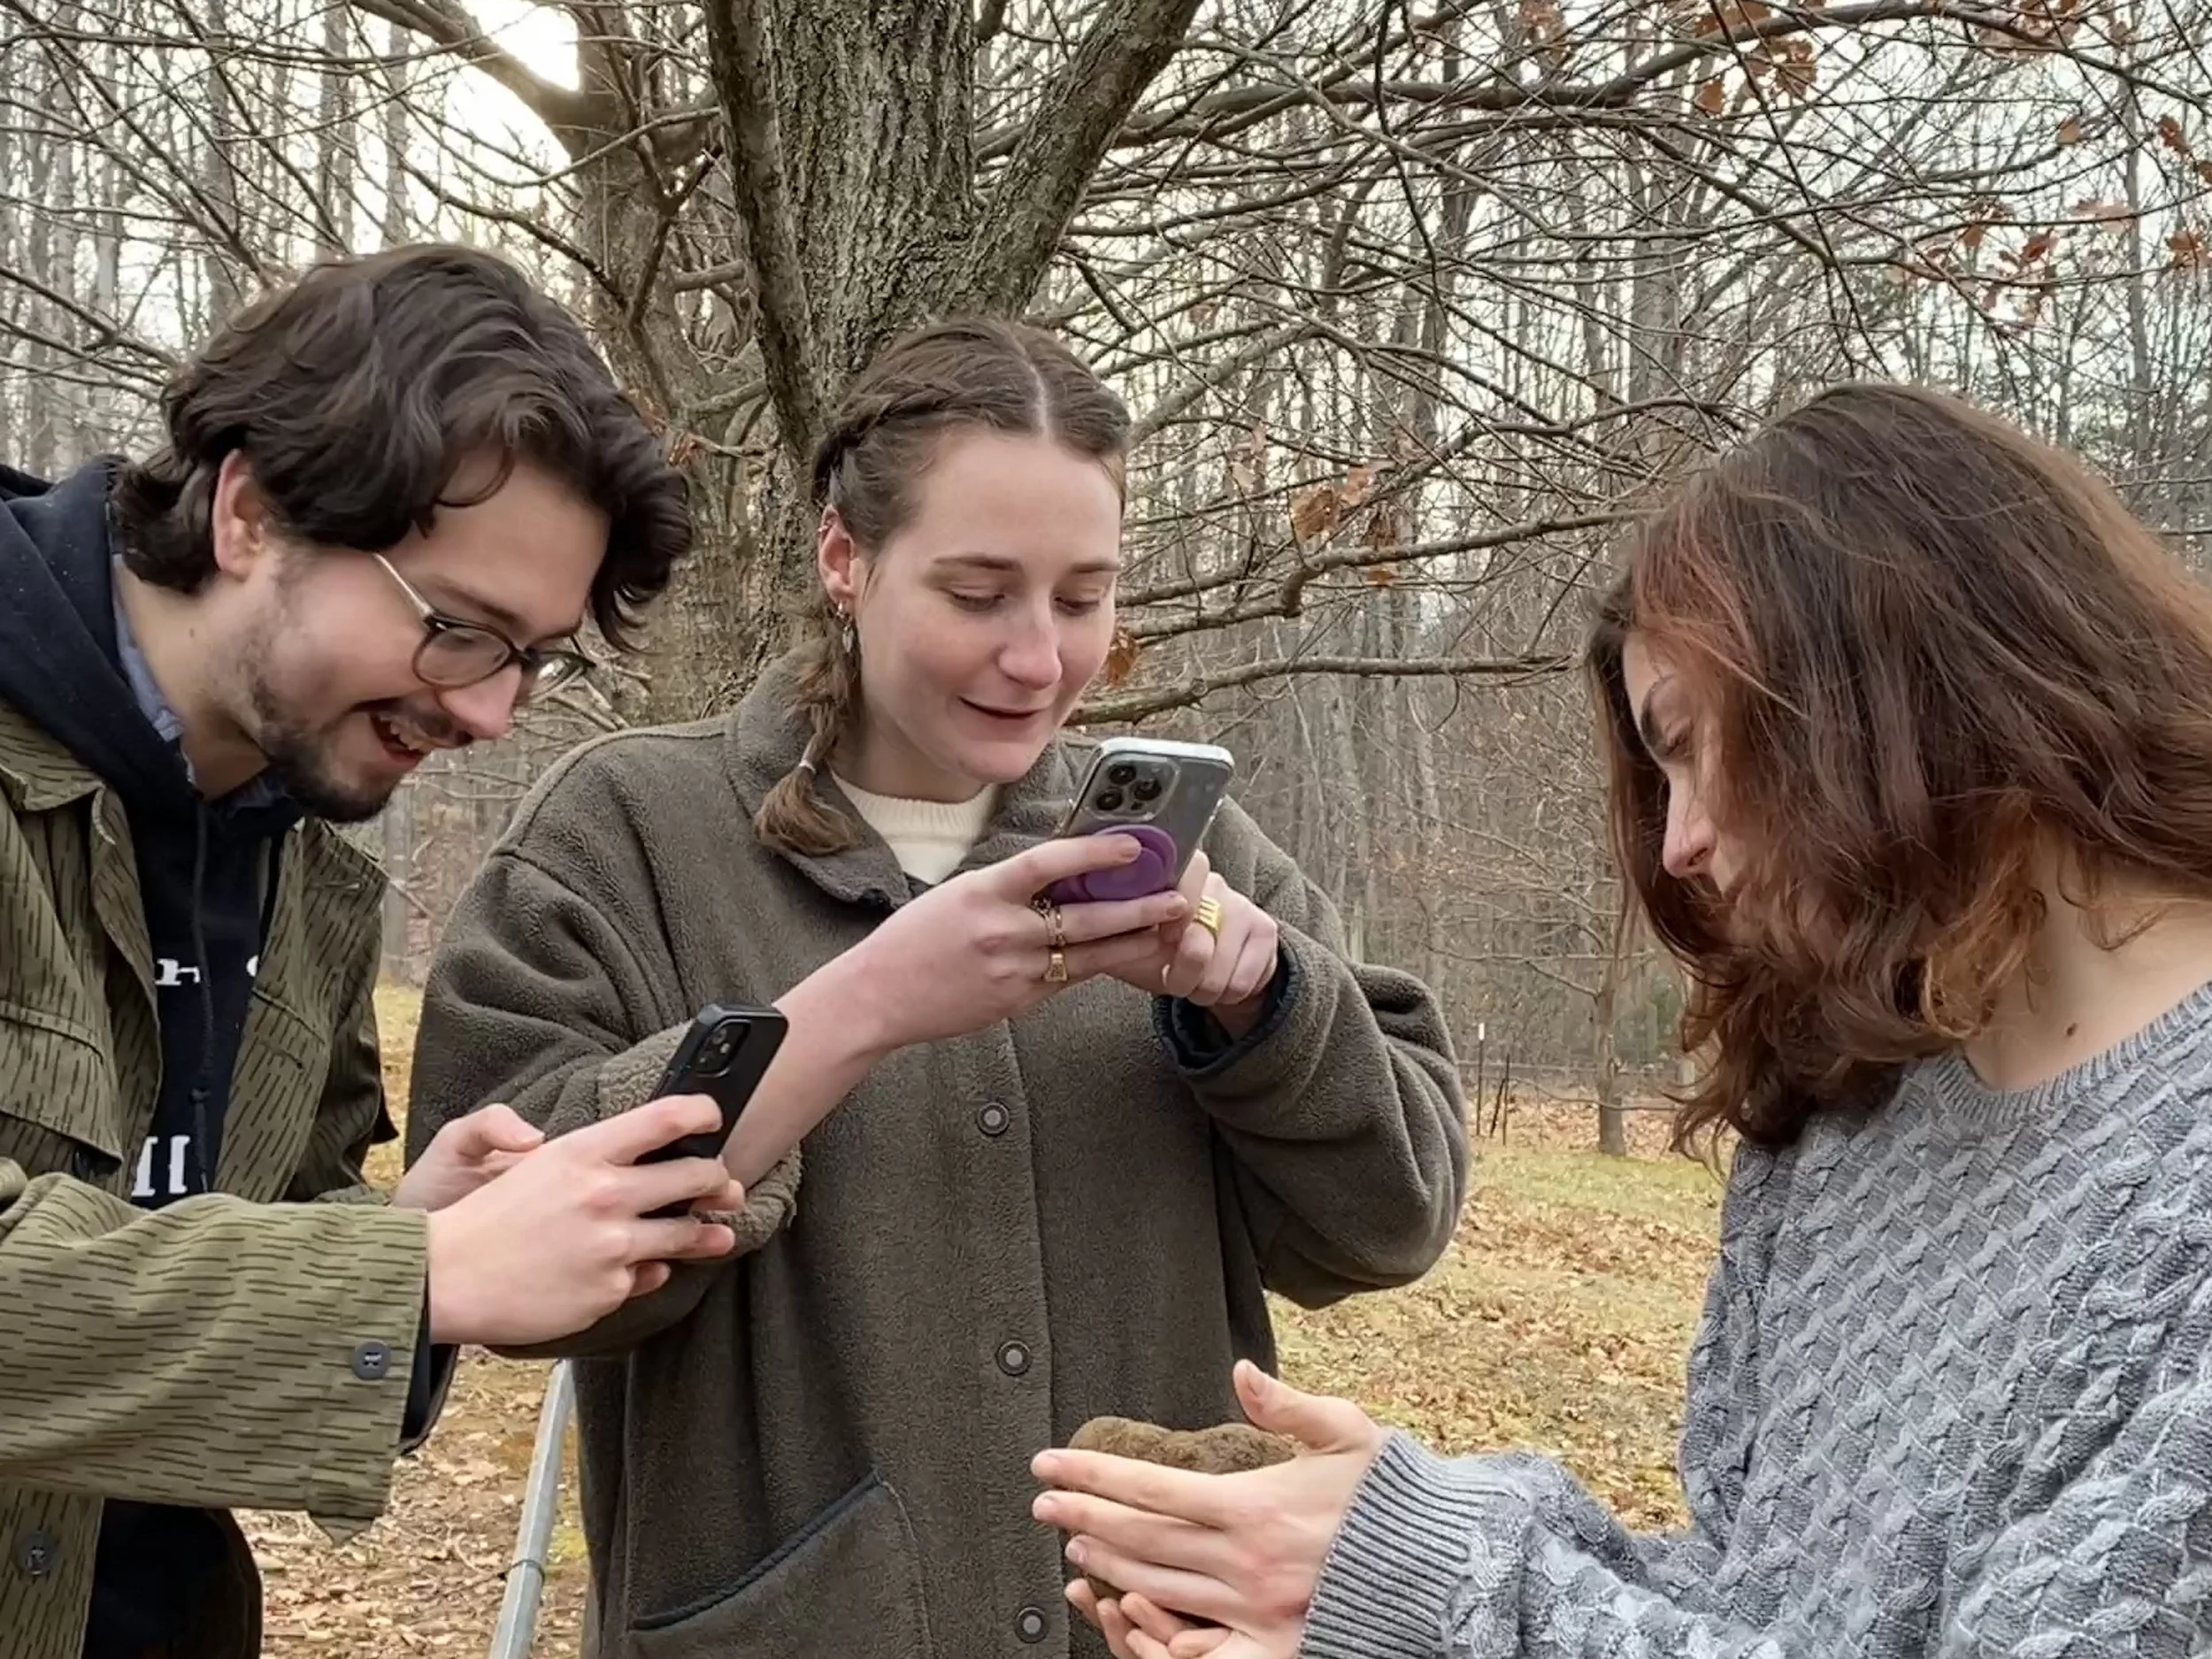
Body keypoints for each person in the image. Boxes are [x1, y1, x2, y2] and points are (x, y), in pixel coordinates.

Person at [1032, 383, 2212, 1659]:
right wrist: (1410, 1518)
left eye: (1700, 745)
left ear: (1904, 685)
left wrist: (1431, 1588)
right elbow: (1745, 1606)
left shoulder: (2177, 1185)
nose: (1682, 840)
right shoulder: (1853, 1103)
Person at [405, 315, 1471, 1658]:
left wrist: (1265, 1004)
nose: (1039, 657)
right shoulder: (622, 833)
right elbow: (488, 1247)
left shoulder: (1192, 853)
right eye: (979, 594)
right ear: (845, 557)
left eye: (1083, 598)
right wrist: (851, 1013)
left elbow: (1395, 1220)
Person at [0, 244, 767, 1659]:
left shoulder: (306, 868)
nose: (486, 712)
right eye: (457, 631)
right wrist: (420, 1279)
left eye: (530, 657)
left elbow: (215, 1264)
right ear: (249, 509)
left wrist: (409, 1226)